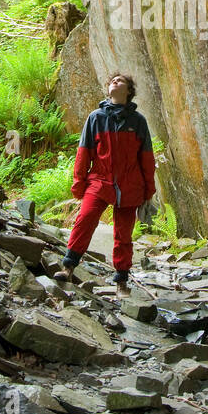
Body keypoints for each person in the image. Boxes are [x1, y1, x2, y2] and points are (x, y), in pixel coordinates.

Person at [54, 72, 156, 287]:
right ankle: (68, 267)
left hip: (130, 185)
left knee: (123, 233)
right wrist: (79, 182)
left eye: (120, 81)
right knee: (85, 219)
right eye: (112, 80)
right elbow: (84, 153)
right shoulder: (96, 118)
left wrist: (149, 189)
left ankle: (121, 278)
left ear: (129, 90)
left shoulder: (138, 121)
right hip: (99, 181)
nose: (114, 82)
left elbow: (146, 157)